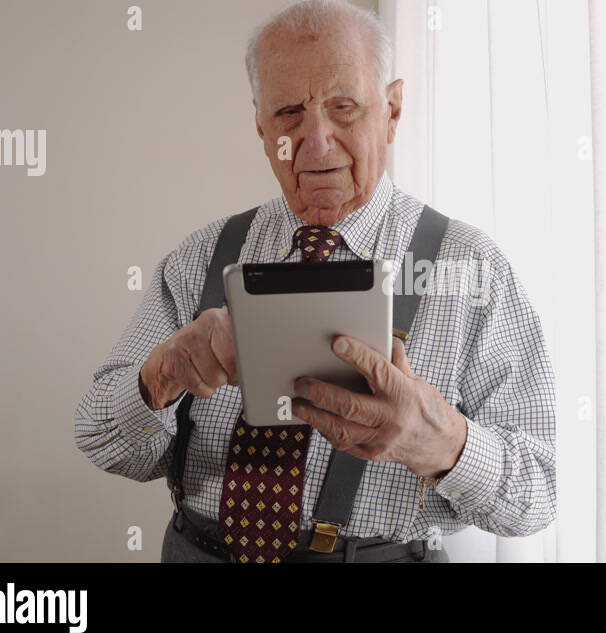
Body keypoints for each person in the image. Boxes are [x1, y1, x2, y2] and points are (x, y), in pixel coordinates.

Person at [74, 0, 556, 563]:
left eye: (343, 107)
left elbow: (538, 496)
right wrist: (160, 378)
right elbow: (100, 440)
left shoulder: (472, 268)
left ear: (393, 109)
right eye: (288, 114)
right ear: (260, 124)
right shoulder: (199, 258)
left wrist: (442, 441)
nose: (317, 141)